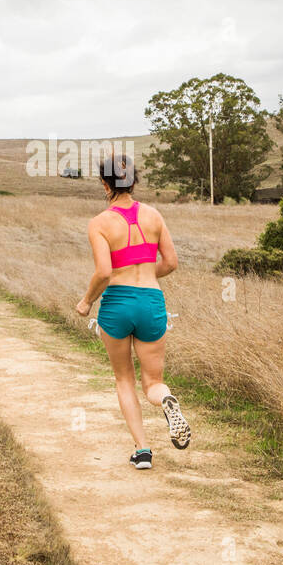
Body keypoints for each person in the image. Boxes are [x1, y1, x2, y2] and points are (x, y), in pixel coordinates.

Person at [75, 153, 191, 469]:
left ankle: (142, 450)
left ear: (104, 184)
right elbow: (171, 262)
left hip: (117, 305)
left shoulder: (99, 223)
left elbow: (103, 272)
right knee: (153, 382)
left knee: (124, 378)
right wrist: (147, 275)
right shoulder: (154, 216)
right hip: (151, 302)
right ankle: (167, 402)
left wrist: (86, 301)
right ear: (133, 180)